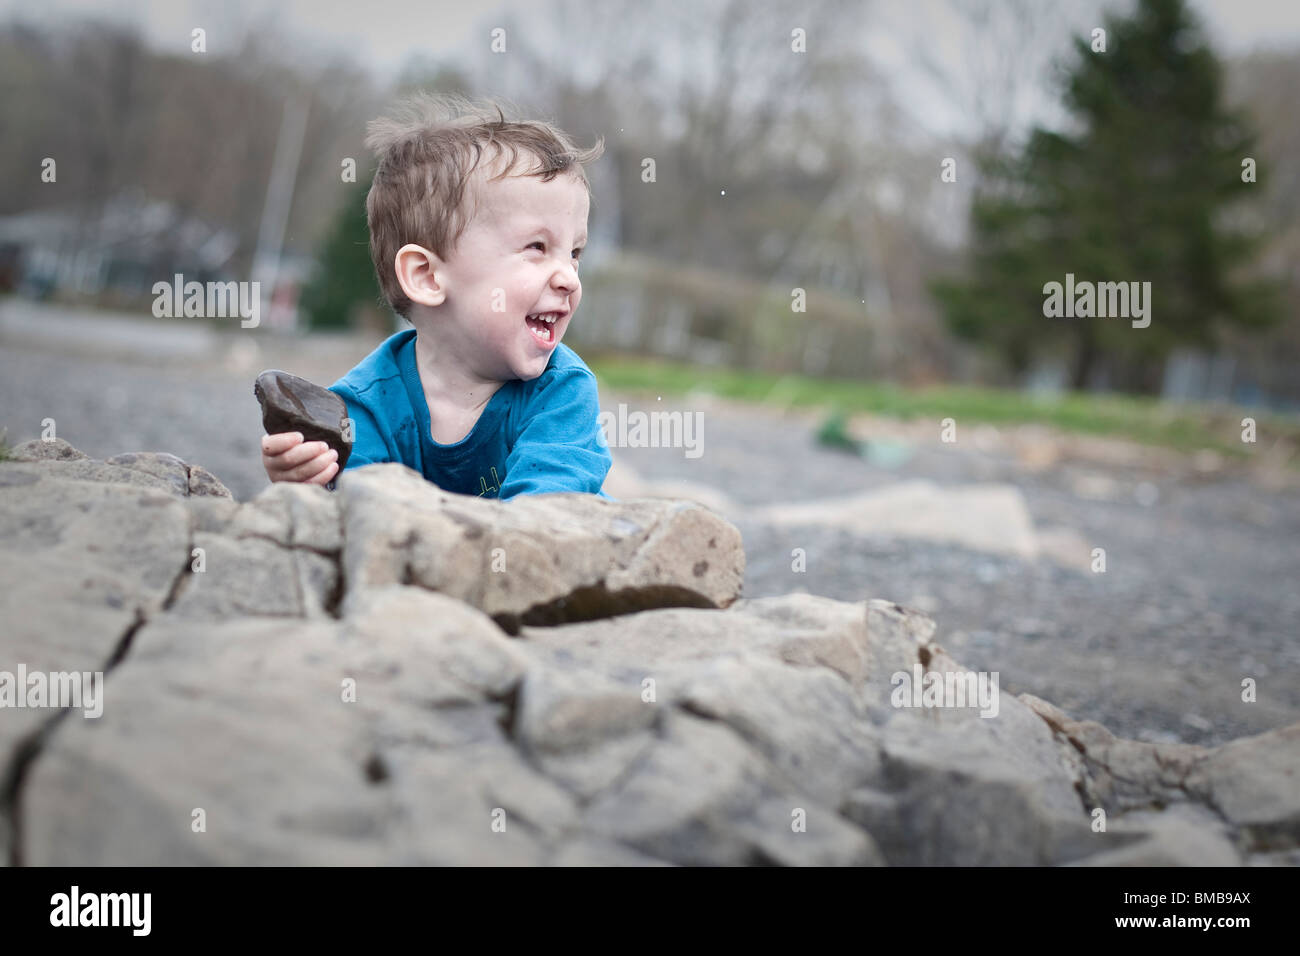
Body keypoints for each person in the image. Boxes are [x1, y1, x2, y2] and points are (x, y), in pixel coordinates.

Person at [261, 92, 612, 500]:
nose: (568, 277)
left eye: (574, 254)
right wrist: (309, 477)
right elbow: (360, 513)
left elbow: (546, 517)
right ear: (427, 276)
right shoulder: (365, 406)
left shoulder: (562, 391)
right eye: (536, 247)